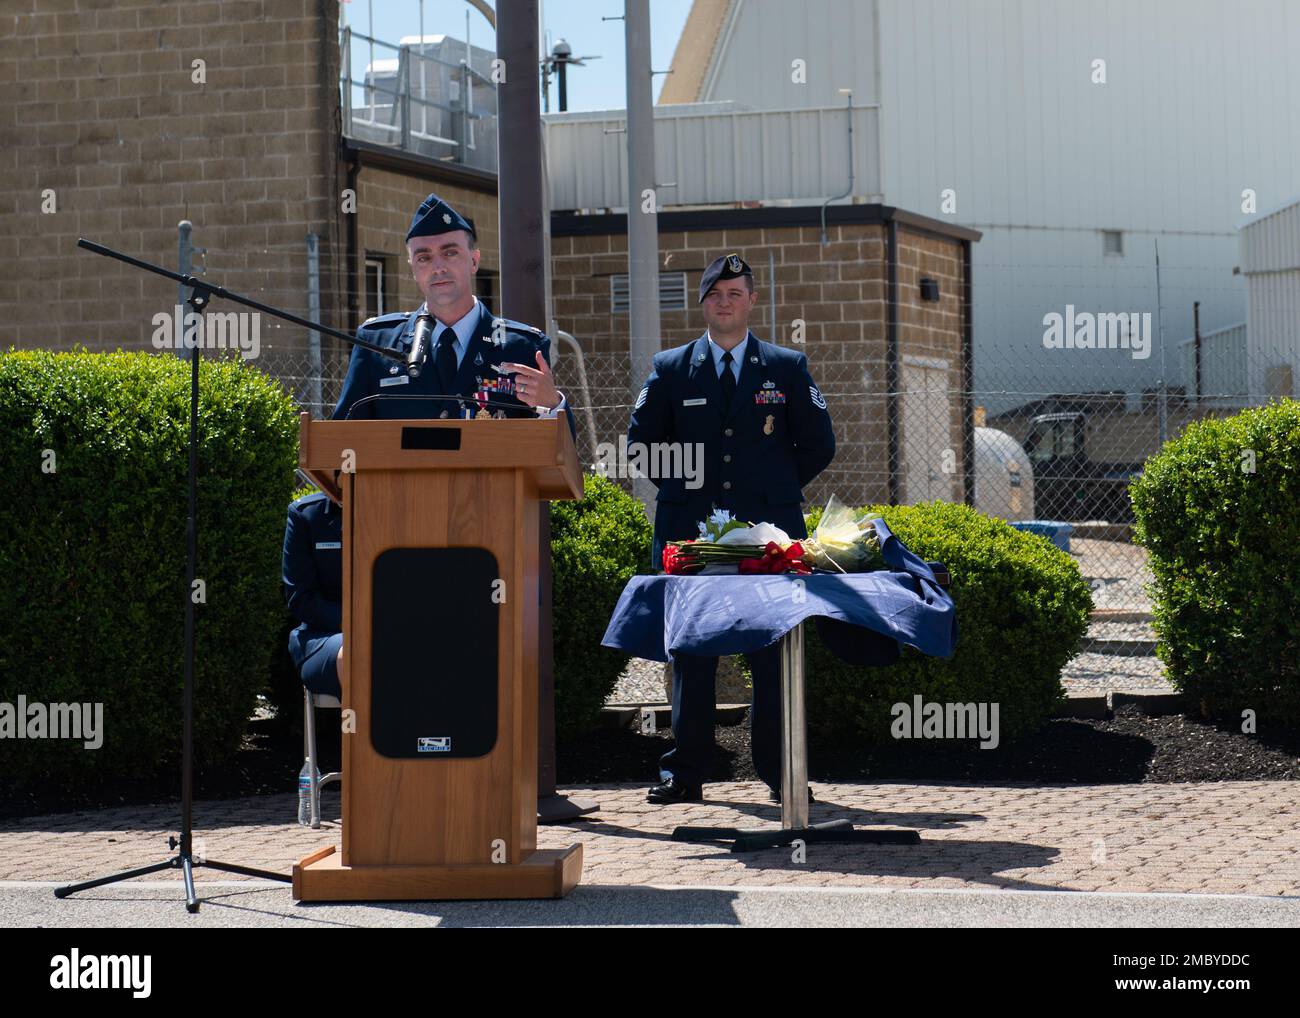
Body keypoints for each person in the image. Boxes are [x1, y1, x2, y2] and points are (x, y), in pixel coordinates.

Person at [627, 252, 836, 804]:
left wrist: (772, 488)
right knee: (691, 654)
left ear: (751, 300)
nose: (725, 302)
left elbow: (819, 443)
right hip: (691, 535)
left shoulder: (786, 367)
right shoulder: (671, 368)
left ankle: (781, 773)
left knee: (771, 653)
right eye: (715, 294)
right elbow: (642, 445)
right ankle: (685, 772)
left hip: (766, 536)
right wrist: (691, 482)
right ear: (703, 303)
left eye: (735, 293)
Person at [333, 192, 573, 442]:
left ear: (474, 260)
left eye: (450, 253)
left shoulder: (522, 348)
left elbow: (560, 456)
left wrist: (551, 407)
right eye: (424, 257)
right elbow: (341, 445)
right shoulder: (378, 344)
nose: (438, 267)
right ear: (412, 269)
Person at [282, 489, 343, 699]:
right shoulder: (305, 514)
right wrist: (359, 624)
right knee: (359, 653)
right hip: (322, 636)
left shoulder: (401, 508)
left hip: (392, 631)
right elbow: (301, 599)